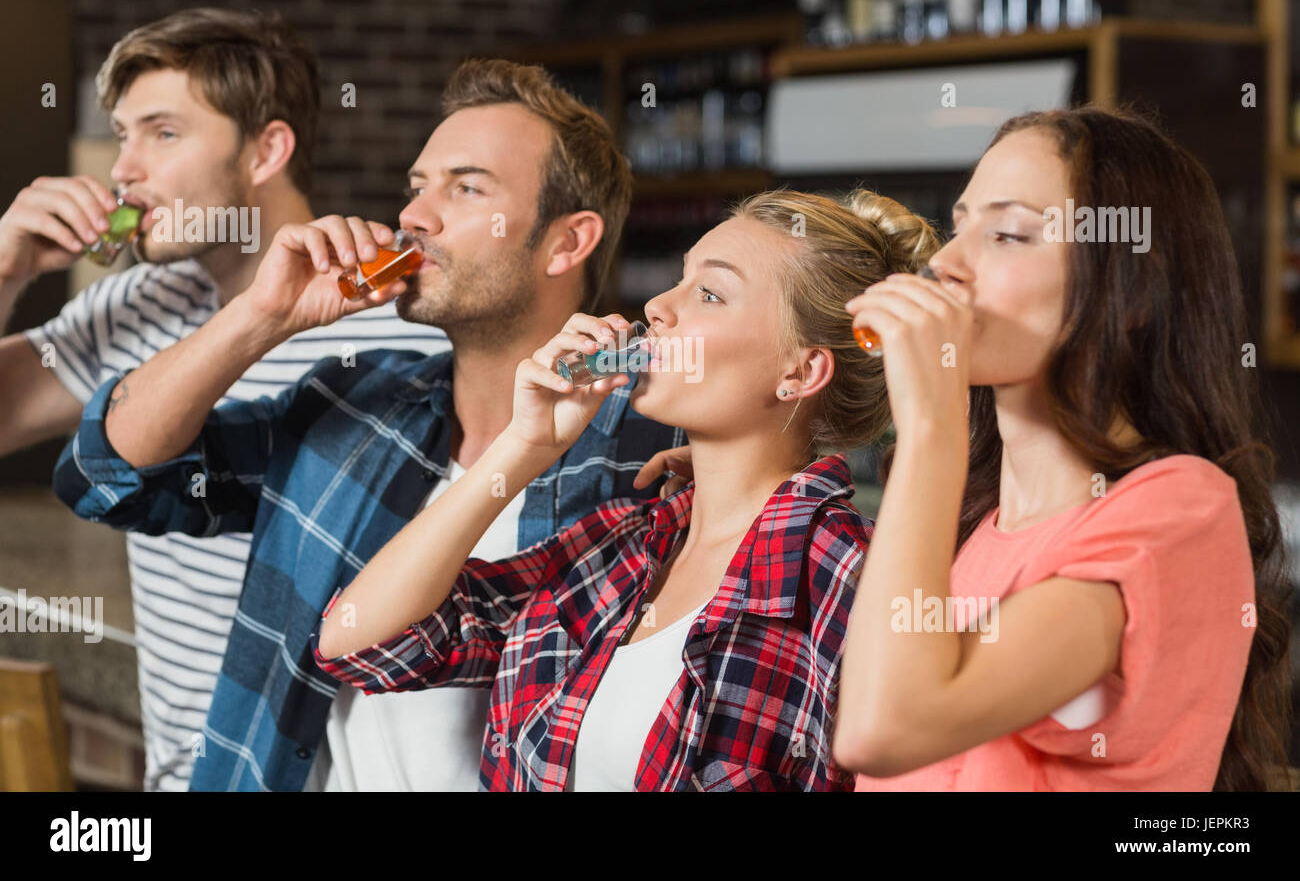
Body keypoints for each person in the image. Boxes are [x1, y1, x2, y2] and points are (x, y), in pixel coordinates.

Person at [54, 58, 686, 791]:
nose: (414, 216)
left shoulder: (657, 450)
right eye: (417, 188)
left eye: (467, 187)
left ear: (568, 242)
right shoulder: (355, 399)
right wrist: (262, 317)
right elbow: (105, 477)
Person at [312, 188, 937, 791]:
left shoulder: (850, 583)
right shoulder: (620, 545)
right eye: (680, 278)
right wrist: (525, 446)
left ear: (800, 371)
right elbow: (361, 643)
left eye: (712, 294)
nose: (659, 307)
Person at [0, 7, 449, 791]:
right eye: (122, 132)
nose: (123, 169)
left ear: (268, 150)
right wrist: (5, 268)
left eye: (162, 133)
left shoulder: (395, 327)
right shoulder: (134, 301)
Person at [835, 106, 1293, 791]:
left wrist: (931, 426)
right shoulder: (972, 530)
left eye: (1010, 234)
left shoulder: (1178, 509)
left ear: (1132, 282)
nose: (946, 264)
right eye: (960, 227)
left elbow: (882, 731)